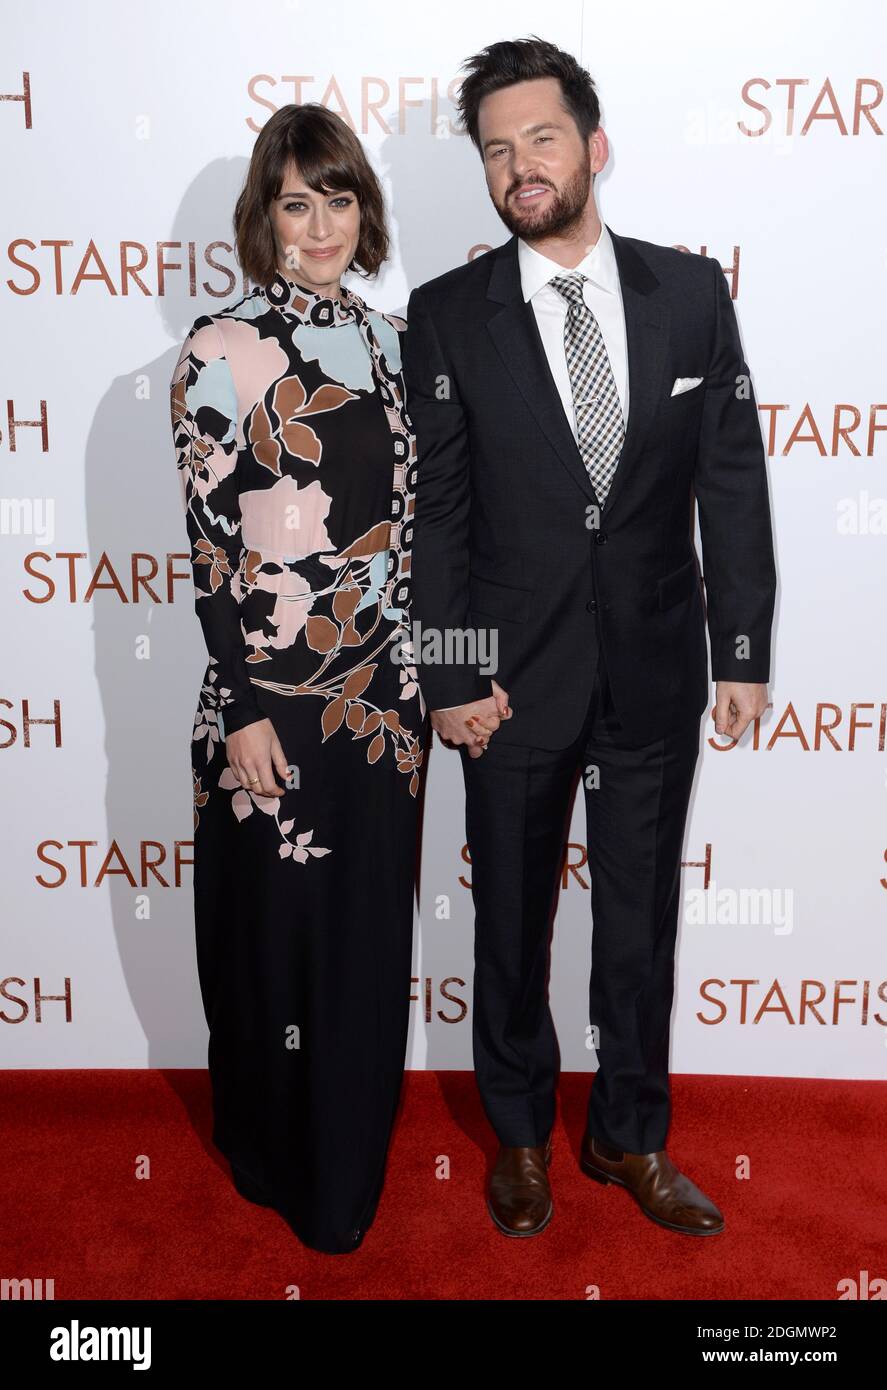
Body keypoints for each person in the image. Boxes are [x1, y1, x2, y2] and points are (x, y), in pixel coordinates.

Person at [402, 36, 776, 1238]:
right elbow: (437, 516)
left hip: (657, 670)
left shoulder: (690, 291)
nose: (520, 165)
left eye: (541, 138)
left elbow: (730, 478)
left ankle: (628, 1132)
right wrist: (452, 675)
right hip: (506, 686)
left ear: (593, 147)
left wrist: (743, 649)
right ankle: (517, 1136)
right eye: (497, 148)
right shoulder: (447, 317)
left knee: (638, 921)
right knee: (509, 919)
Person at [170, 102, 427, 1254]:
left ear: (362, 209)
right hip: (265, 708)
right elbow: (209, 548)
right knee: (269, 949)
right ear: (262, 219)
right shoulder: (218, 351)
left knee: (364, 948)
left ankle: (346, 1174)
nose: (320, 223)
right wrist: (240, 707)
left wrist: (426, 683)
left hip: (380, 712)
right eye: (294, 201)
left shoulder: (390, 345)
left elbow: (415, 538)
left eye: (336, 197)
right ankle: (274, 1158)